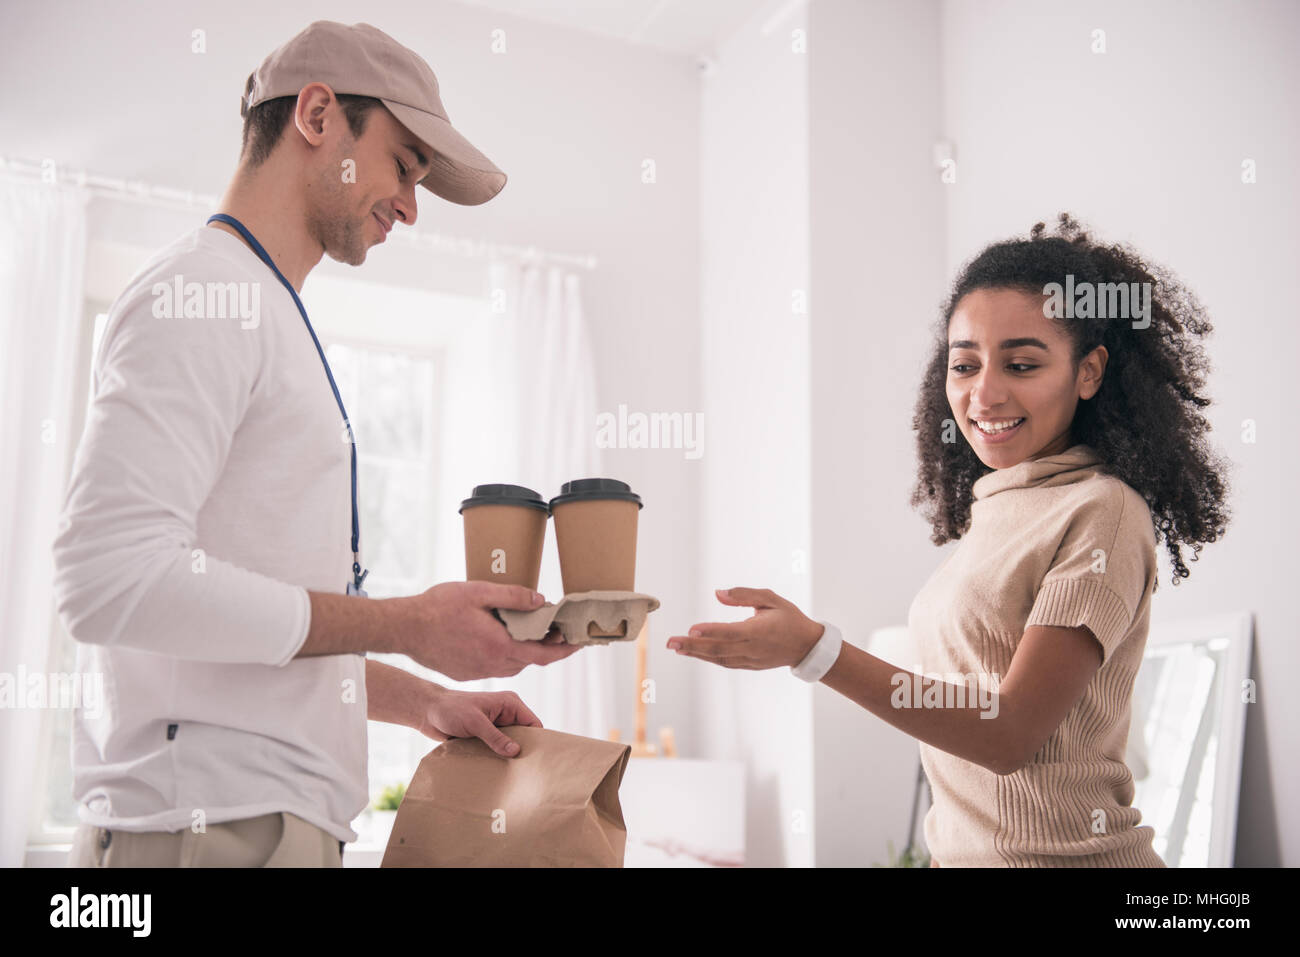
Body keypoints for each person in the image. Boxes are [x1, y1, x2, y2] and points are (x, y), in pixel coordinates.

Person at [53, 21, 579, 868]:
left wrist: (426, 701)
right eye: (404, 165)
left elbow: (240, 638)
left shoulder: (260, 308)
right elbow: (107, 579)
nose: (411, 204)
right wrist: (407, 623)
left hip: (251, 825)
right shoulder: (203, 294)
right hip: (210, 830)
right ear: (318, 115)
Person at [669, 213, 1232, 867]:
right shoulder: (999, 508)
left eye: (1021, 363)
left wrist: (816, 650)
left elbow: (1010, 733)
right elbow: (969, 779)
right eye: (964, 364)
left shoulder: (1101, 511)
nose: (984, 392)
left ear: (1090, 372)